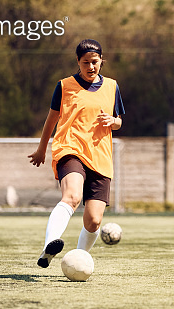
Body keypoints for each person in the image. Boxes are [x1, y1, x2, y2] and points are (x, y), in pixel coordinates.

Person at [28, 39, 125, 268]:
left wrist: (113, 121)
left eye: (95, 62)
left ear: (102, 60)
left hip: (101, 157)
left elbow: (119, 121)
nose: (90, 67)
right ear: (77, 62)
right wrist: (42, 148)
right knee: (72, 196)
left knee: (93, 221)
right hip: (70, 148)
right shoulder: (64, 86)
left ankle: (76, 260)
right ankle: (48, 245)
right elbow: (51, 119)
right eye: (85, 63)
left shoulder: (112, 86)